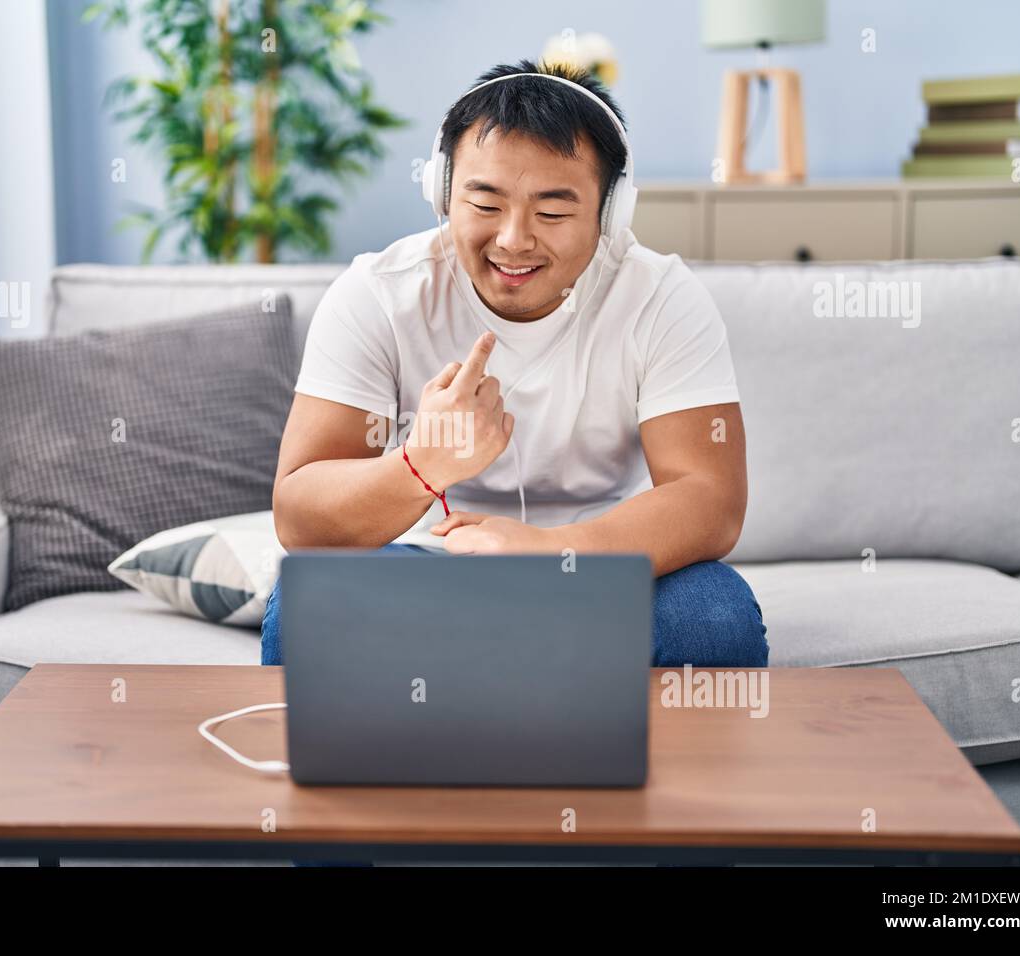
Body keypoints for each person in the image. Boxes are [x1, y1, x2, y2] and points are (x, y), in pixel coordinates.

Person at [263, 59, 767, 668]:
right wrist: (421, 466)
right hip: (429, 563)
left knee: (713, 621)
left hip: (603, 562)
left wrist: (553, 554)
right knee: (304, 610)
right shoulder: (379, 293)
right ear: (443, 193)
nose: (513, 239)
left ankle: (600, 755)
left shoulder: (661, 298)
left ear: (610, 215)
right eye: (485, 203)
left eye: (552, 213)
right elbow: (298, 515)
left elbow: (710, 498)